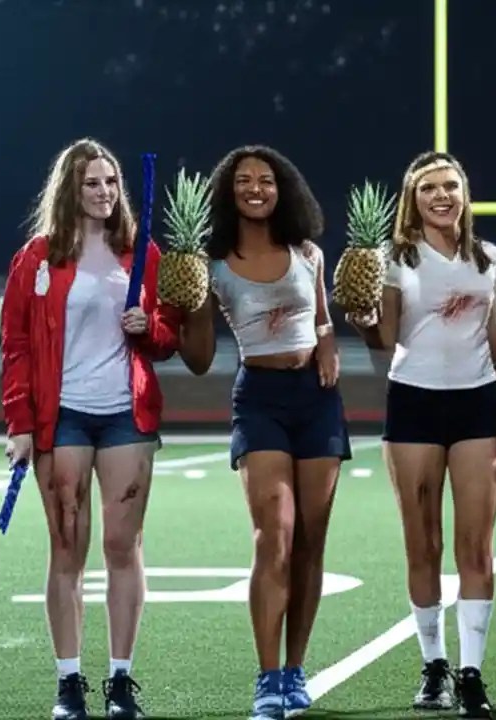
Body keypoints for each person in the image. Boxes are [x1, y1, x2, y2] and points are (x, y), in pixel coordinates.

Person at [1, 137, 179, 720]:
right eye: (92, 183)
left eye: (111, 182)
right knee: (66, 549)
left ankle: (121, 682)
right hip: (62, 416)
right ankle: (69, 684)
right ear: (69, 191)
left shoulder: (141, 252)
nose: (104, 192)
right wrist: (19, 423)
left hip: (127, 413)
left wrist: (149, 327)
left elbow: (167, 336)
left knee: (123, 547)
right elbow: (16, 345)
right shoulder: (37, 257)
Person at [176, 145, 349, 720]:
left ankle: (296, 670)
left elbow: (321, 318)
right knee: (273, 536)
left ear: (283, 189)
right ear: (229, 192)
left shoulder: (307, 252)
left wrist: (327, 343)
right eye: (244, 180)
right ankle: (267, 677)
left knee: (310, 542)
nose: (256, 188)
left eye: (267, 180)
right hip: (260, 401)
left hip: (317, 400)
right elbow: (199, 359)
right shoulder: (212, 263)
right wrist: (187, 304)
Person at [345, 151, 496, 719]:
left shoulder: (488, 257)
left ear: (464, 193)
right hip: (415, 402)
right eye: (428, 189)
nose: (441, 196)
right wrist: (364, 319)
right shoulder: (395, 259)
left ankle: (471, 673)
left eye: (450, 186)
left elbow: (493, 336)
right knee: (423, 544)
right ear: (412, 201)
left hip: (476, 403)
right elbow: (387, 338)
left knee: (476, 544)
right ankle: (434, 664)